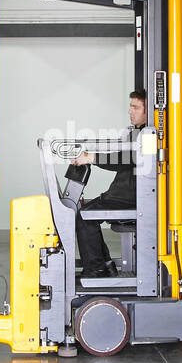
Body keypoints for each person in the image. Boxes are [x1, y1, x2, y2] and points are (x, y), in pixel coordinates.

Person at [73, 89, 148, 279]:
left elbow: (124, 158)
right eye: (131, 107)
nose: (130, 111)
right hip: (121, 193)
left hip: (128, 197)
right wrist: (91, 152)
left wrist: (91, 157)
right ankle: (104, 265)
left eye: (136, 107)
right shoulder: (137, 132)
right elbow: (120, 154)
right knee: (83, 212)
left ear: (149, 111)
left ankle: (96, 269)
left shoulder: (147, 134)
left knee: (84, 216)